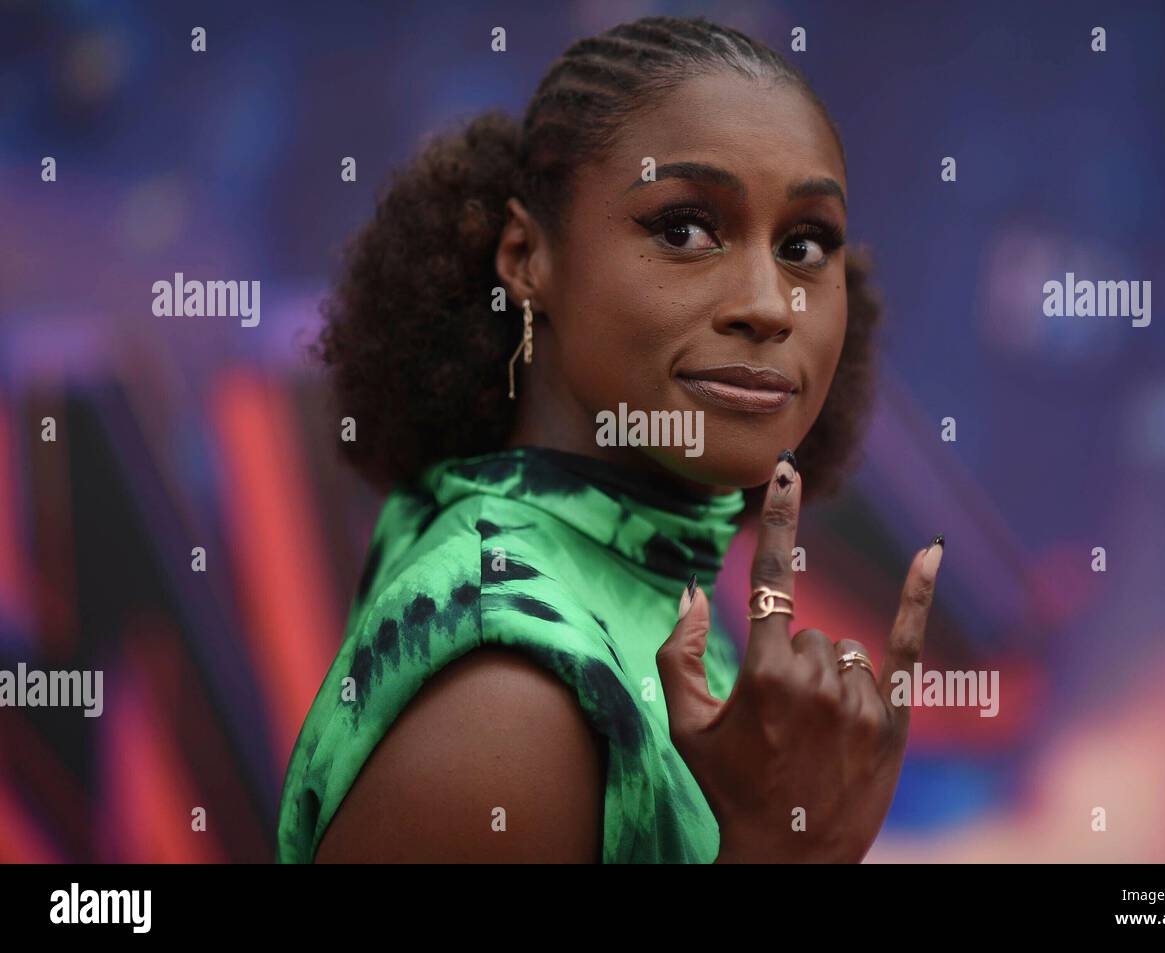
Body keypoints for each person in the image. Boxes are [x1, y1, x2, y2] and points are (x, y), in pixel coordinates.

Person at [275, 13, 943, 864]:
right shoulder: (508, 705)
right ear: (527, 257)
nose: (771, 304)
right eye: (684, 229)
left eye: (804, 244)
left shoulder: (643, 586)